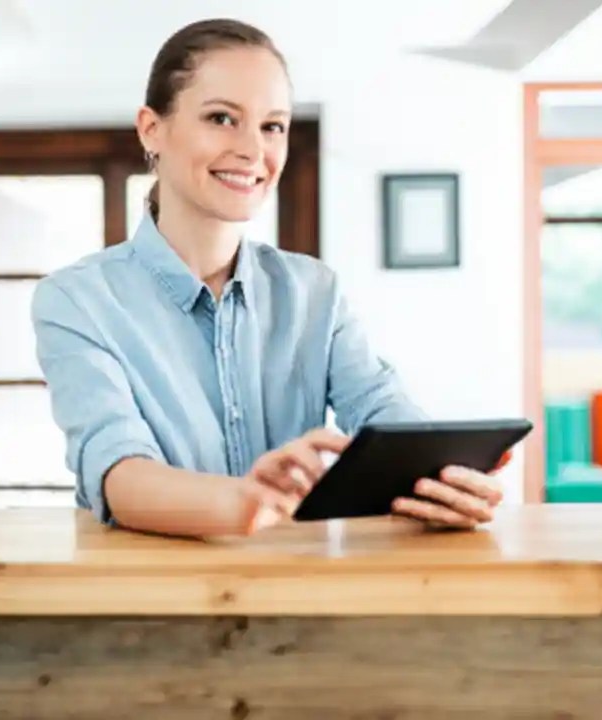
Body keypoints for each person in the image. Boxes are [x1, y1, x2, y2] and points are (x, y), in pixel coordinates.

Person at [32, 18, 507, 538]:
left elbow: (380, 407)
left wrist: (440, 475)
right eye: (221, 117)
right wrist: (244, 500)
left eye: (272, 125)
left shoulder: (314, 291)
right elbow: (118, 473)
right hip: (153, 599)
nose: (253, 150)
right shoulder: (77, 300)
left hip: (294, 592)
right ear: (152, 129)